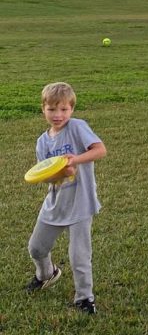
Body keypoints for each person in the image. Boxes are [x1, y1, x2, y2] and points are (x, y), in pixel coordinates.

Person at [26, 82, 107, 315]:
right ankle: (46, 275)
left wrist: (75, 161)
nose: (58, 115)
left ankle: (84, 298)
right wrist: (61, 173)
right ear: (43, 110)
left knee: (79, 256)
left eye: (63, 109)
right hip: (55, 204)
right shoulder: (42, 142)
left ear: (71, 109)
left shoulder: (77, 127)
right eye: (52, 109)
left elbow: (100, 150)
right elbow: (46, 176)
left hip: (80, 204)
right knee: (36, 248)